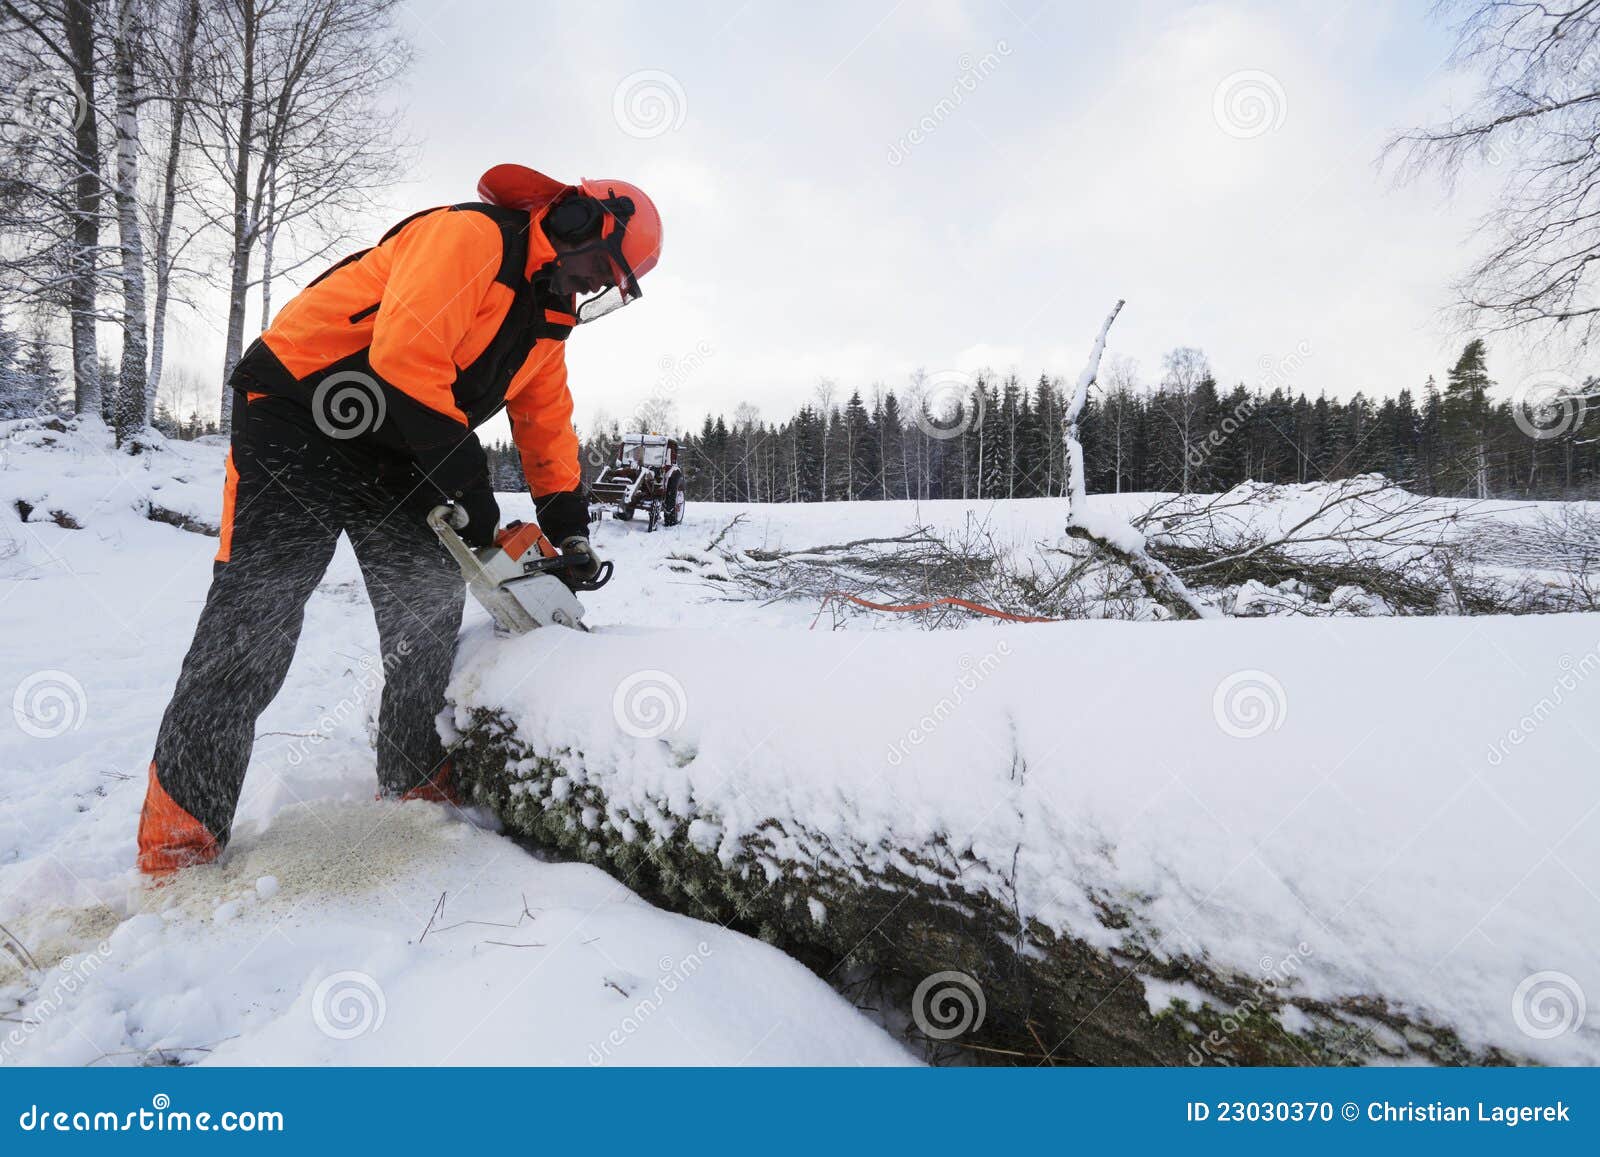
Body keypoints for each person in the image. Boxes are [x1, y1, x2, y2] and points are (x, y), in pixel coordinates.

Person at [136, 164, 662, 875]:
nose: (591, 284)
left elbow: (545, 424)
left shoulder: (548, 324)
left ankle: (415, 785)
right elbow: (404, 352)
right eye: (597, 265)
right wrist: (471, 486)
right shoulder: (470, 237)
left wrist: (566, 524)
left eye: (608, 282)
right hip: (301, 412)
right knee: (257, 613)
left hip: (396, 446)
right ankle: (179, 838)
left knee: (427, 613)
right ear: (576, 221)